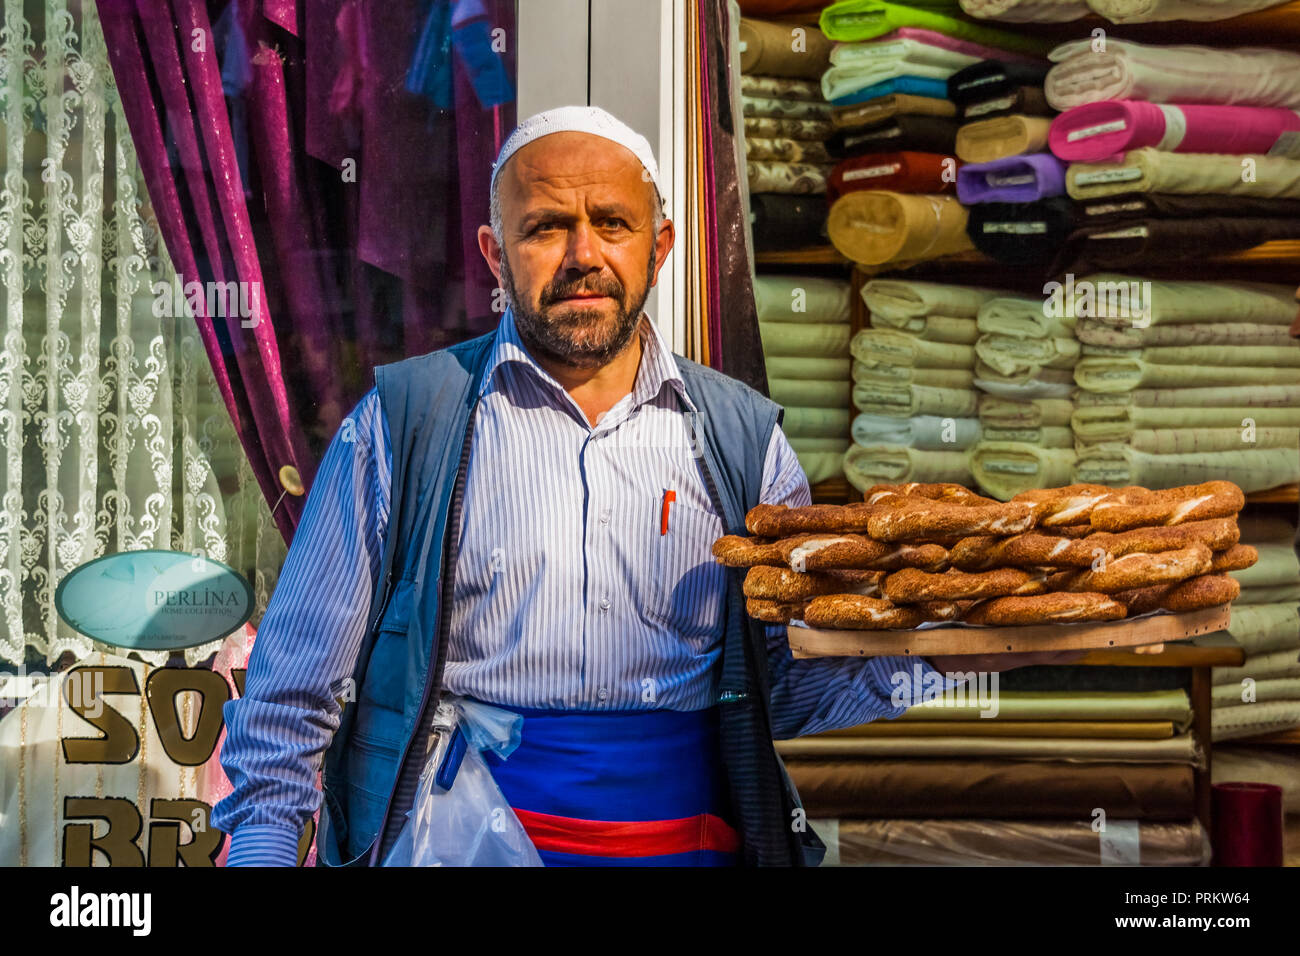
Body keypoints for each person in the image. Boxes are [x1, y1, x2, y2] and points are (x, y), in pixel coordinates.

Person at [212, 105, 1076, 867]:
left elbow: (790, 687)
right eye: (546, 226)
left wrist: (955, 652)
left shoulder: (744, 442)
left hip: (685, 848)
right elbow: (288, 700)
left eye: (612, 223)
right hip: (454, 843)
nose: (583, 255)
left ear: (659, 244)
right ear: (495, 253)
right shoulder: (407, 424)